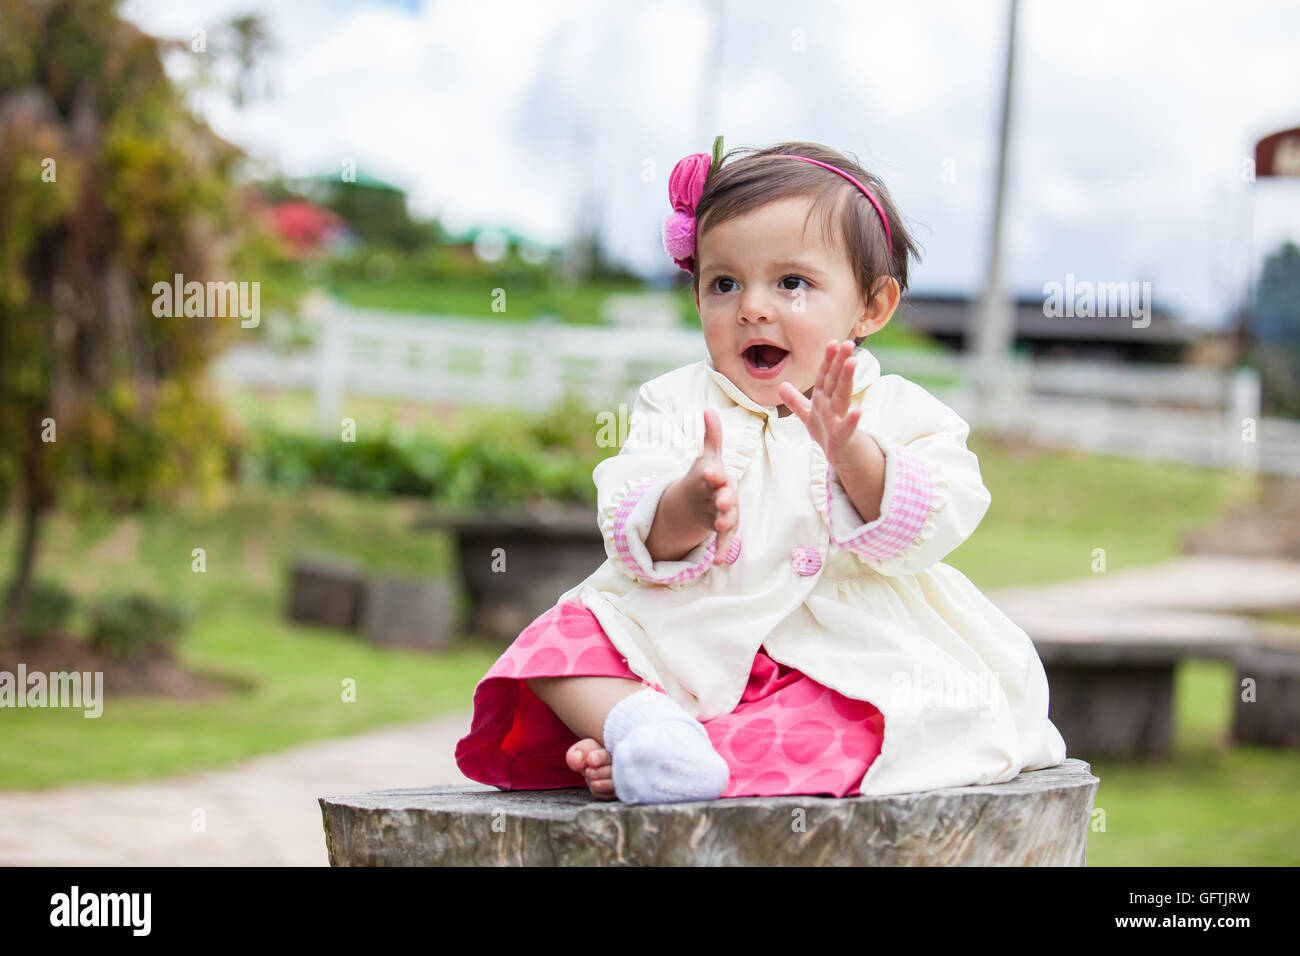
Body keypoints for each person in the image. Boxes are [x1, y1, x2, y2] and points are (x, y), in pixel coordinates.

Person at [454, 138, 1067, 805]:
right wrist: (686, 505)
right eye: (724, 284)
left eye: (792, 283)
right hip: (685, 634)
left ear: (872, 306)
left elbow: (935, 518)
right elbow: (631, 527)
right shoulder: (676, 402)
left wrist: (853, 454)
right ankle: (646, 728)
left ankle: (675, 757)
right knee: (559, 642)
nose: (751, 307)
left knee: (879, 717)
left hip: (836, 647)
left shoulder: (901, 411)